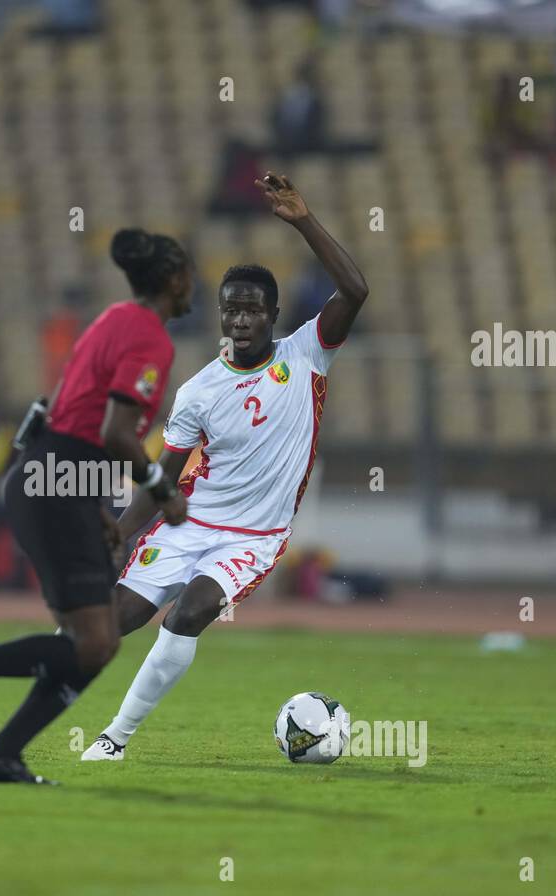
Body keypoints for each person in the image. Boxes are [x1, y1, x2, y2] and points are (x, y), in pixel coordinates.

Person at [82, 172, 367, 760]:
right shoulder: (198, 392)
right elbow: (164, 473)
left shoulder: (307, 354)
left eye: (252, 311)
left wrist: (303, 220)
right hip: (189, 524)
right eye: (231, 310)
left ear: (273, 315)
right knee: (118, 620)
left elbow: (356, 291)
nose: (240, 320)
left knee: (191, 611)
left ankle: (114, 739)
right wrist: (122, 534)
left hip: (254, 538)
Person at [0, 229, 194, 783]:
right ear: (174, 278)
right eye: (187, 276)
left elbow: (68, 412)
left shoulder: (111, 320)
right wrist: (162, 491)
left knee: (91, 644)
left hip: (49, 473)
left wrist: (93, 506)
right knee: (95, 642)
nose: (192, 287)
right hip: (58, 479)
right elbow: (115, 432)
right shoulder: (151, 338)